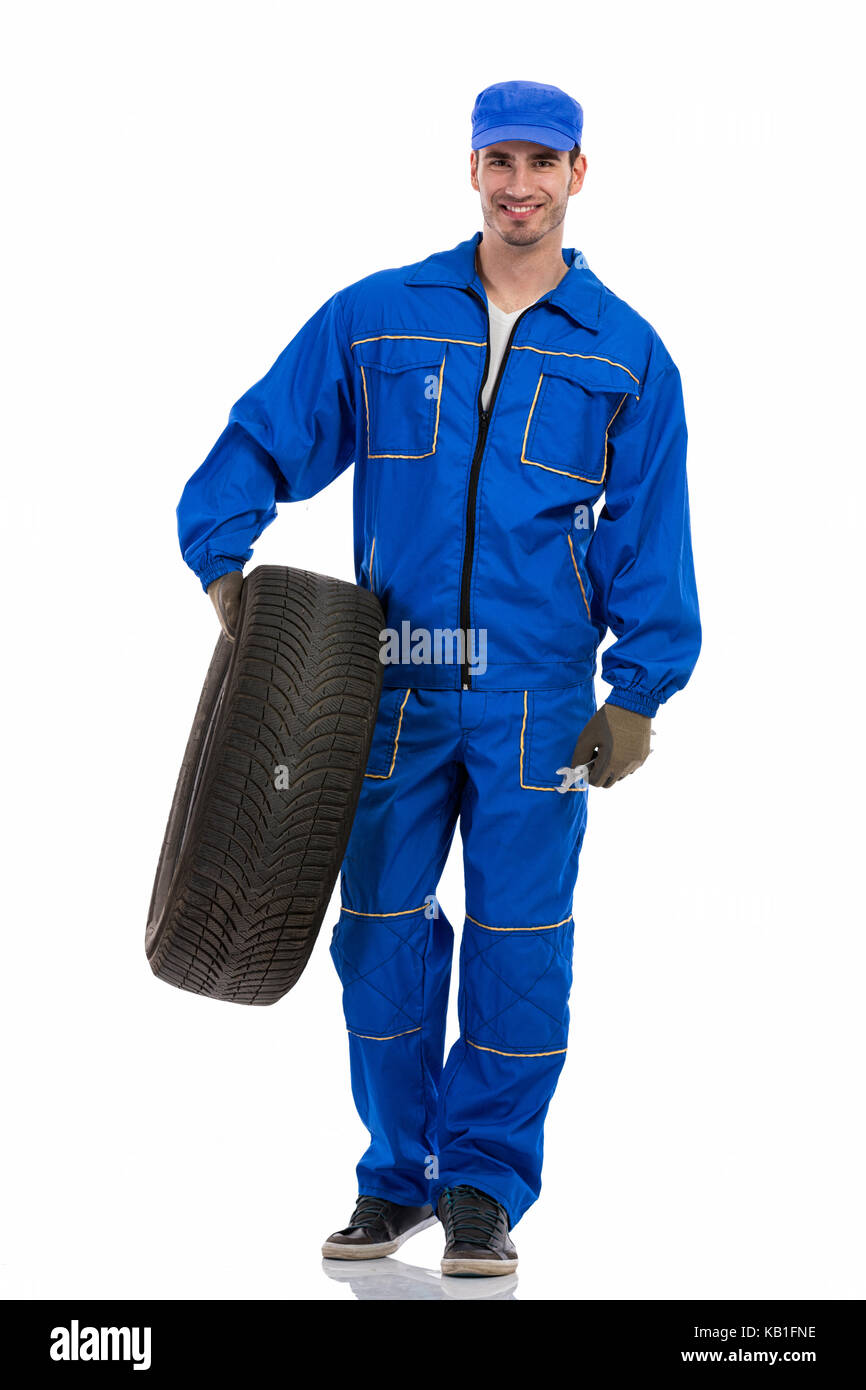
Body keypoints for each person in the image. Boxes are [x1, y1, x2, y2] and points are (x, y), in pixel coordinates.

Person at [177, 79, 701, 1278]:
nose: (519, 184)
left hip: (537, 704)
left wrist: (637, 691)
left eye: (542, 162)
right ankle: (392, 1178)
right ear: (470, 168)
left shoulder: (624, 351)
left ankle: (479, 1187)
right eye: (498, 159)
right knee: (377, 937)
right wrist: (225, 562)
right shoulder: (379, 319)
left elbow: (649, 529)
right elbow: (265, 432)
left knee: (519, 948)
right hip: (386, 689)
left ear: (579, 175)